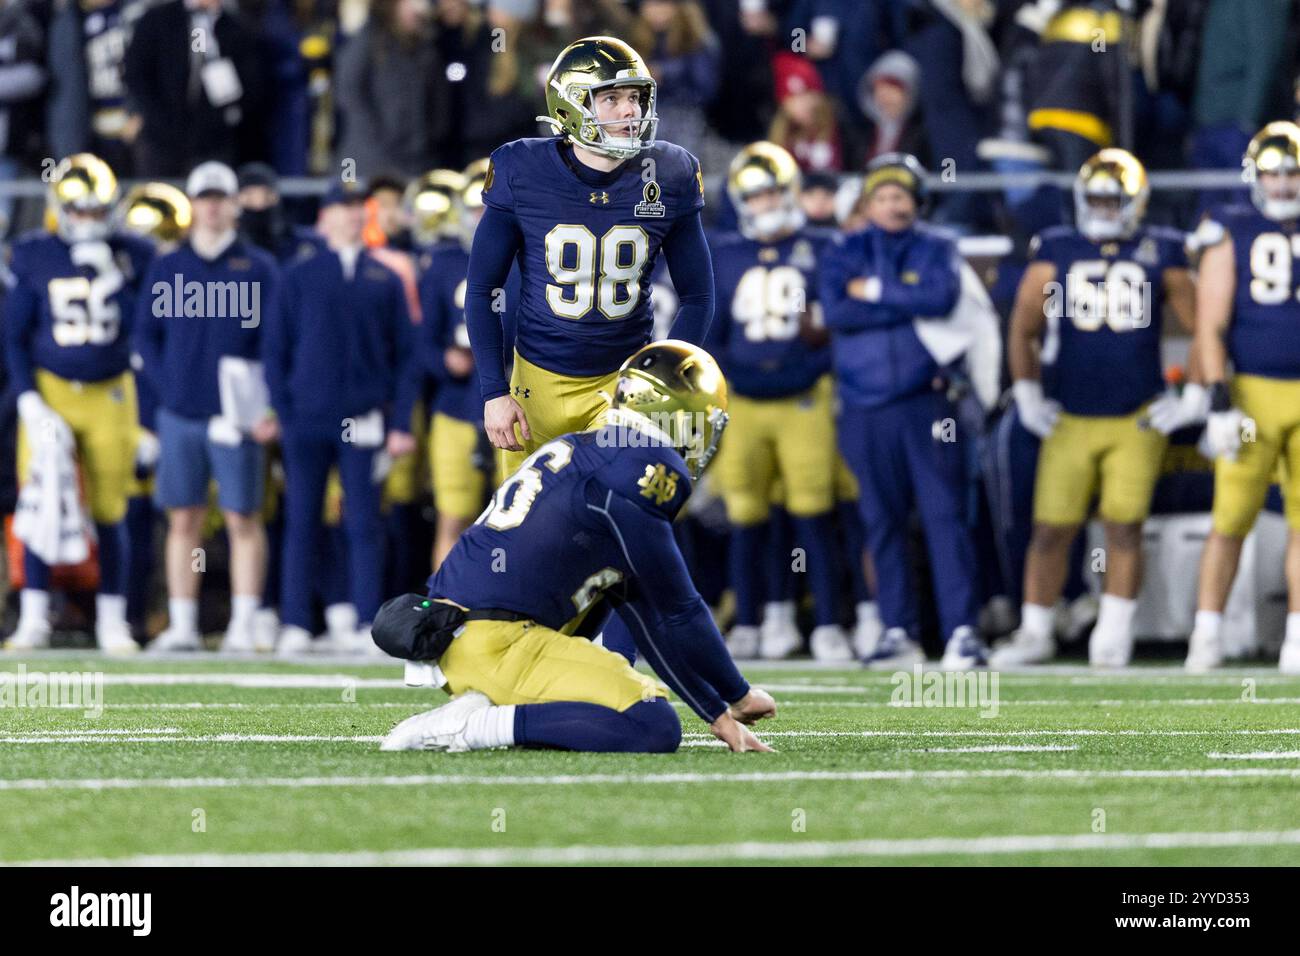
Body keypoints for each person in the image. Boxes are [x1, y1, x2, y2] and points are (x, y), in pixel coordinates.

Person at [377, 340, 776, 754]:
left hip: (461, 636)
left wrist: (718, 714)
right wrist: (739, 693)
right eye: (699, 422)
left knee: (611, 604)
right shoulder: (641, 465)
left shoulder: (589, 449)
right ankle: (474, 725)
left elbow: (642, 611)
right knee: (652, 725)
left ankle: (491, 702)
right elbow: (679, 611)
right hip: (499, 641)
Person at [466, 35, 714, 486]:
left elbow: (697, 295)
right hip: (535, 384)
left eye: (636, 98)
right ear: (571, 105)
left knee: (612, 528)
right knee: (525, 538)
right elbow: (483, 290)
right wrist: (493, 391)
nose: (630, 111)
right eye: (612, 98)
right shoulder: (522, 169)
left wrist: (664, 383)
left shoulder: (671, 172)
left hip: (622, 384)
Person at [992, 149, 1197, 668]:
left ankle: (1114, 627)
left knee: (1123, 525)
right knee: (1050, 527)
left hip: (1136, 413)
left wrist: (1192, 394)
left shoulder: (1161, 249)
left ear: (1136, 201)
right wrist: (1029, 392)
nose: (1104, 208)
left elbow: (1204, 326)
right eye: (1097, 198)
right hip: (1069, 412)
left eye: (1114, 198)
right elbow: (1022, 327)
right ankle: (1036, 628)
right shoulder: (1057, 247)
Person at [820, 152, 987, 670]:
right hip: (865, 406)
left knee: (945, 517)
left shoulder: (938, 246)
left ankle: (962, 630)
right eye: (884, 196)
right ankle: (898, 630)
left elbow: (939, 298)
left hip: (926, 402)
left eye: (901, 196)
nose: (893, 205)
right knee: (881, 522)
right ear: (869, 202)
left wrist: (872, 291)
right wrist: (902, 298)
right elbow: (837, 311)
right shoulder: (843, 248)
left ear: (917, 201)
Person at [705, 141, 852, 662]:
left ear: (790, 193)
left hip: (806, 395)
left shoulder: (824, 246)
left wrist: (803, 369)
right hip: (745, 398)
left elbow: (837, 327)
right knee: (747, 513)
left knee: (813, 510)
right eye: (756, 196)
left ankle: (830, 623)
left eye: (773, 194)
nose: (766, 204)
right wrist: (741, 376)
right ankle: (753, 618)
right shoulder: (724, 252)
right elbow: (711, 331)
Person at [2, 153, 154, 652]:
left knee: (112, 509)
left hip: (112, 392)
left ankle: (112, 619)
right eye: (80, 211)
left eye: (96, 211)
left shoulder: (132, 253)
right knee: (42, 499)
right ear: (60, 210)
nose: (88, 221)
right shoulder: (33, 254)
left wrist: (115, 278)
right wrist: (27, 396)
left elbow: (149, 329)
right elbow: (14, 334)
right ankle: (34, 617)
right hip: (53, 391)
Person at [262, 183, 416, 655]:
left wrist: (400, 423)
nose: (349, 218)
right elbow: (275, 349)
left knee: (364, 522)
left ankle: (367, 620)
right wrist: (285, 412)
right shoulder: (299, 275)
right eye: (341, 209)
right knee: (301, 520)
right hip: (307, 419)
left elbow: (406, 357)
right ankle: (295, 621)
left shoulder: (383, 278)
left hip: (364, 418)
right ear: (324, 218)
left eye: (356, 209)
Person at [135, 161, 280, 654]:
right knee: (183, 518)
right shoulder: (167, 265)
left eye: (221, 197)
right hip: (181, 413)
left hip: (236, 416)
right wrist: (167, 391)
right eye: (205, 197)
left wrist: (265, 407)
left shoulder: (258, 267)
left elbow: (276, 342)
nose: (213, 206)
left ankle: (243, 621)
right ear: (193, 204)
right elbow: (145, 338)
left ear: (234, 203)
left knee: (243, 517)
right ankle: (182, 624)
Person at [1186, 122, 1300, 674]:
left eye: (1291, 173)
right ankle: (1205, 634)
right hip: (1252, 392)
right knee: (1229, 519)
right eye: (1273, 173)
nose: (1281, 185)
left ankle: (1297, 641)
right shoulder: (1230, 226)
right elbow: (1209, 323)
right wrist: (1217, 401)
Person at [413, 159, 518, 569]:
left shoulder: (525, 260)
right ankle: (446, 617)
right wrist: (443, 360)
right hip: (457, 407)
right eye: (474, 208)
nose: (479, 218)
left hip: (514, 408)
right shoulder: (443, 263)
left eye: (486, 208)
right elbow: (420, 343)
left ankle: (511, 615)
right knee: (453, 516)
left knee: (516, 519)